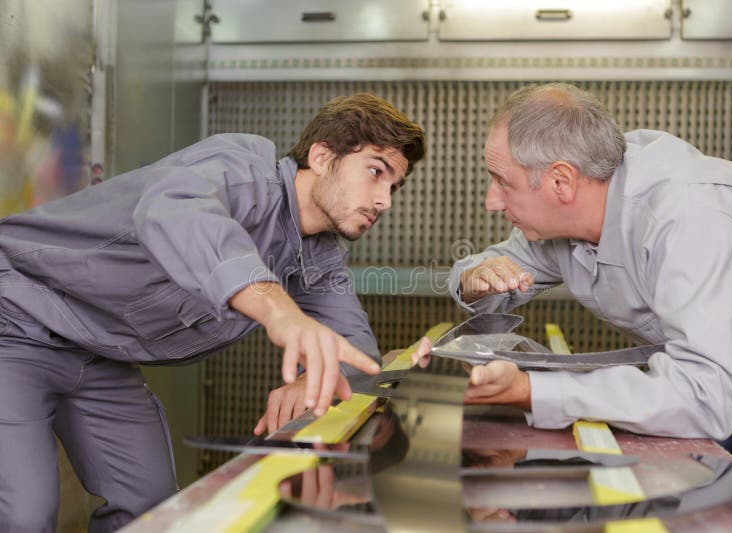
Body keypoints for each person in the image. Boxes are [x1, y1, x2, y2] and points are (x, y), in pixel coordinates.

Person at [0, 92, 426, 532]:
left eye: (393, 186)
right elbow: (172, 210)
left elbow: (357, 352)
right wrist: (278, 309)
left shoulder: (318, 256)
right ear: (321, 156)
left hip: (97, 352)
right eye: (376, 172)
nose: (384, 201)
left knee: (152, 510)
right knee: (25, 514)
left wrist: (312, 379)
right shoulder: (244, 168)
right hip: (16, 320)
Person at [443, 82, 732, 507]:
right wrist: (474, 277)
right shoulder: (570, 219)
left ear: (561, 180)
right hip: (725, 387)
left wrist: (533, 391)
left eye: (503, 182)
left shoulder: (691, 219)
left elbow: (706, 395)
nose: (491, 201)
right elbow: (488, 272)